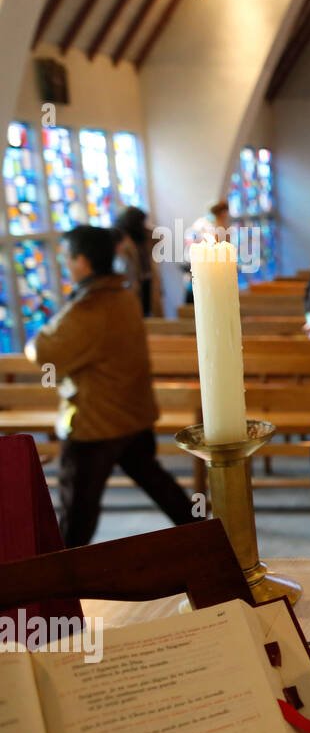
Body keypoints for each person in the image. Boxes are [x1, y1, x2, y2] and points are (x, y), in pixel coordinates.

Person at [27, 225, 198, 547]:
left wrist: (33, 345)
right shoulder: (123, 295)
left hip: (96, 423)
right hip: (131, 414)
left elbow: (46, 352)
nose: (65, 264)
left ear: (83, 262)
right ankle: (203, 533)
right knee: (156, 481)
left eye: (67, 257)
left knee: (77, 508)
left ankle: (64, 576)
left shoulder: (90, 308)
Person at [113, 206, 162, 317]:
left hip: (148, 279)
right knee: (135, 313)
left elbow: (159, 236)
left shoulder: (144, 236)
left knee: (152, 311)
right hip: (131, 281)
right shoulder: (122, 238)